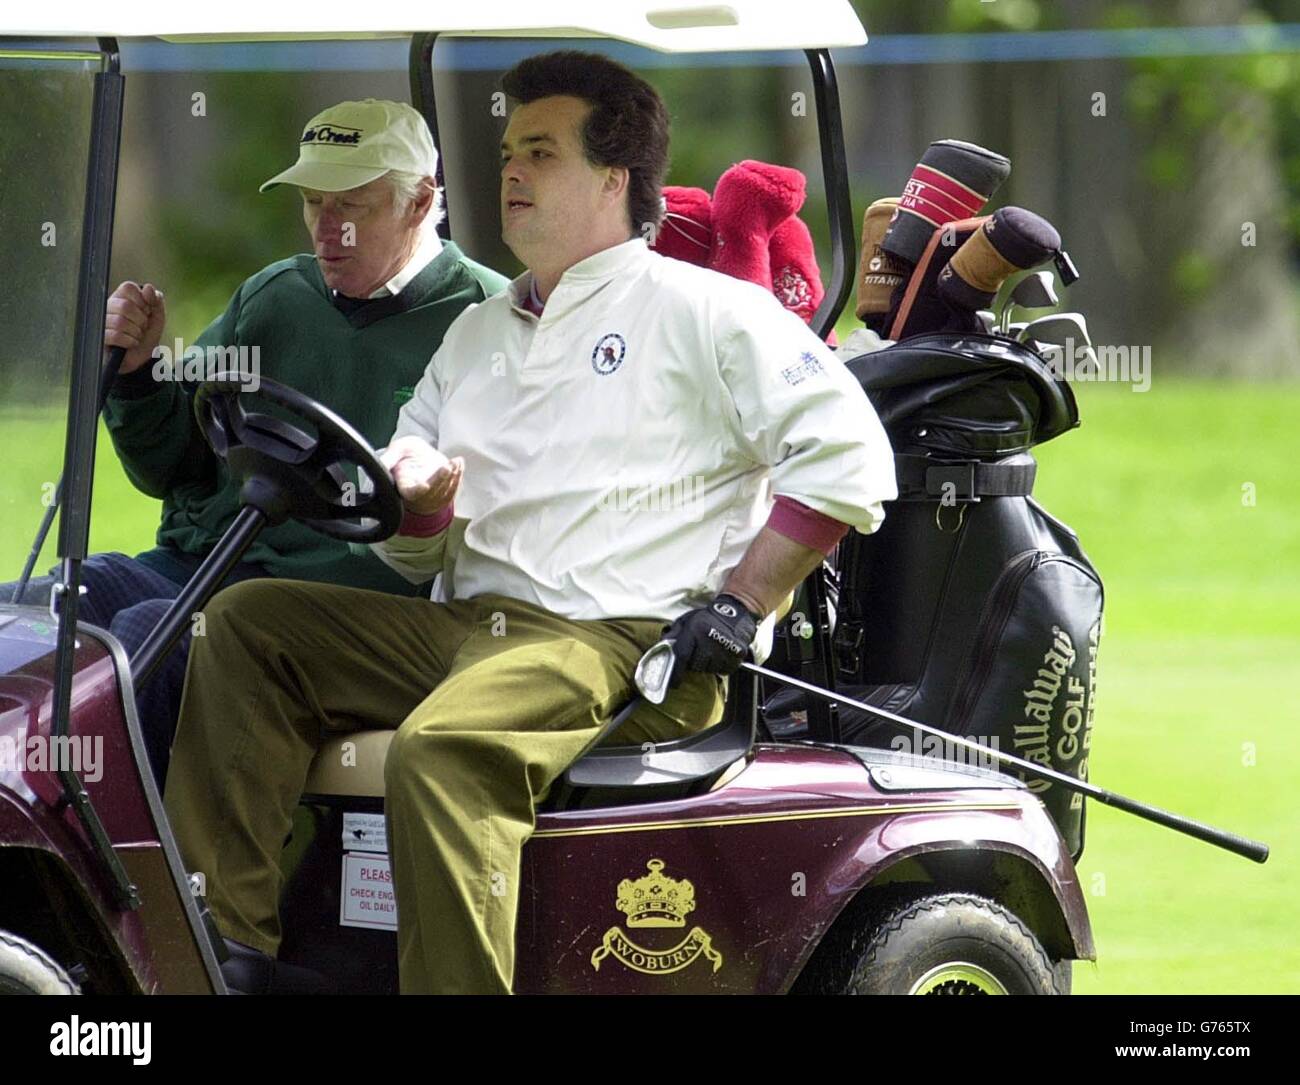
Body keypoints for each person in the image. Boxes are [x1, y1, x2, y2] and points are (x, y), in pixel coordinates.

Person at [162, 51, 897, 995]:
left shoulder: (710, 311)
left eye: (540, 153)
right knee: (246, 626)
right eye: (509, 150)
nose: (509, 171)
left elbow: (849, 459)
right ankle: (221, 964)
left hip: (624, 641)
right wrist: (420, 512)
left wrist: (745, 600)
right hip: (467, 631)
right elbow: (409, 532)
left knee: (442, 751)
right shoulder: (477, 333)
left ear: (613, 177)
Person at [3, 99, 508, 785]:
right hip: (203, 559)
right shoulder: (274, 296)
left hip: (331, 603)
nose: (326, 231)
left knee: (146, 636)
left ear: (420, 202)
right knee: (32, 610)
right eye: (312, 203)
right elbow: (172, 465)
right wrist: (139, 373)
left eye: (351, 206)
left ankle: (101, 867)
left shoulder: (483, 319)